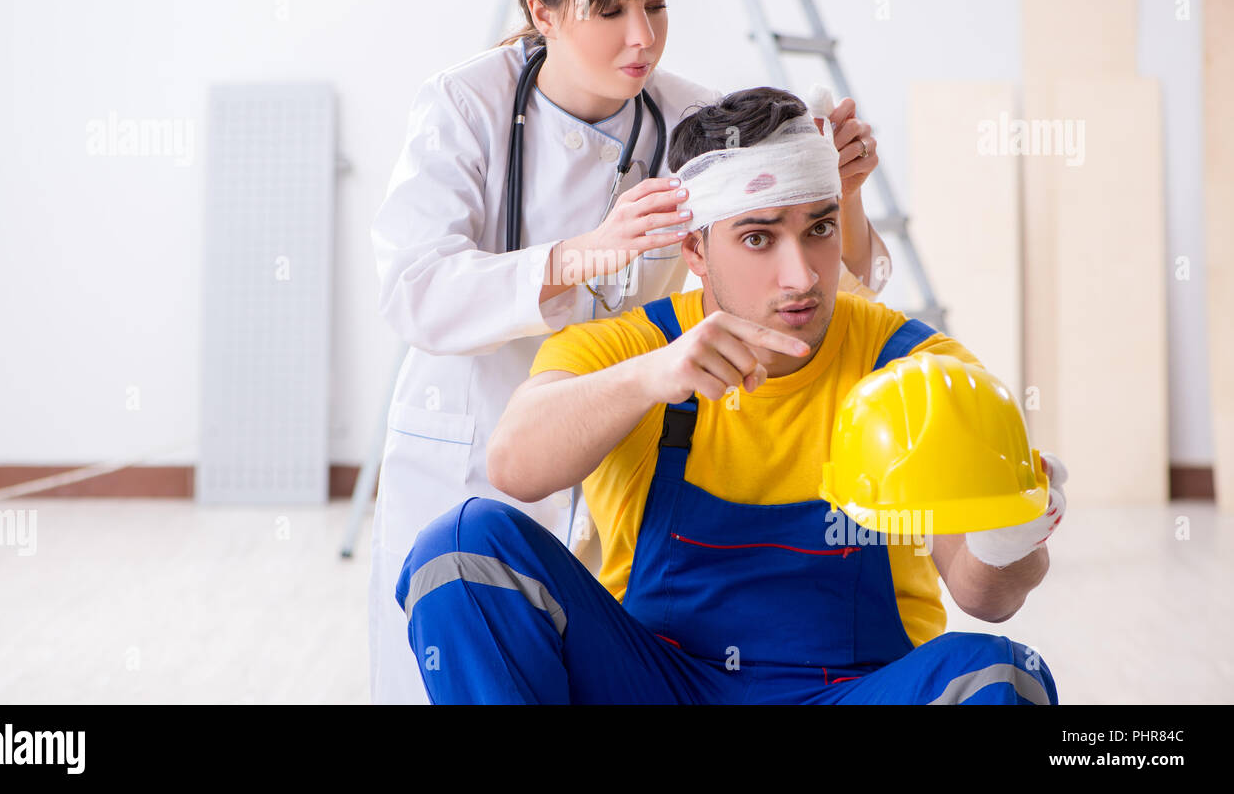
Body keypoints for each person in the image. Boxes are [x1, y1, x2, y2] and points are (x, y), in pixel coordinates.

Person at [368, 0, 893, 704]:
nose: (640, 36)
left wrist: (842, 187)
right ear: (540, 12)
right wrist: (579, 255)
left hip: (612, 444)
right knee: (456, 657)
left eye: (654, 4)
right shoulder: (462, 107)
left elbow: (840, 279)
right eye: (609, 10)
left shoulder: (686, 116)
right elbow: (413, 288)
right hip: (469, 441)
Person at [394, 87, 1069, 704]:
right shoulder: (632, 349)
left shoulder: (910, 368)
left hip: (853, 692)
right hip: (658, 686)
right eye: (758, 236)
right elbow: (514, 464)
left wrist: (1012, 528)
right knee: (459, 546)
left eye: (820, 228)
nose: (801, 274)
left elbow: (988, 597)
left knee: (1002, 677)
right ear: (694, 247)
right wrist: (656, 377)